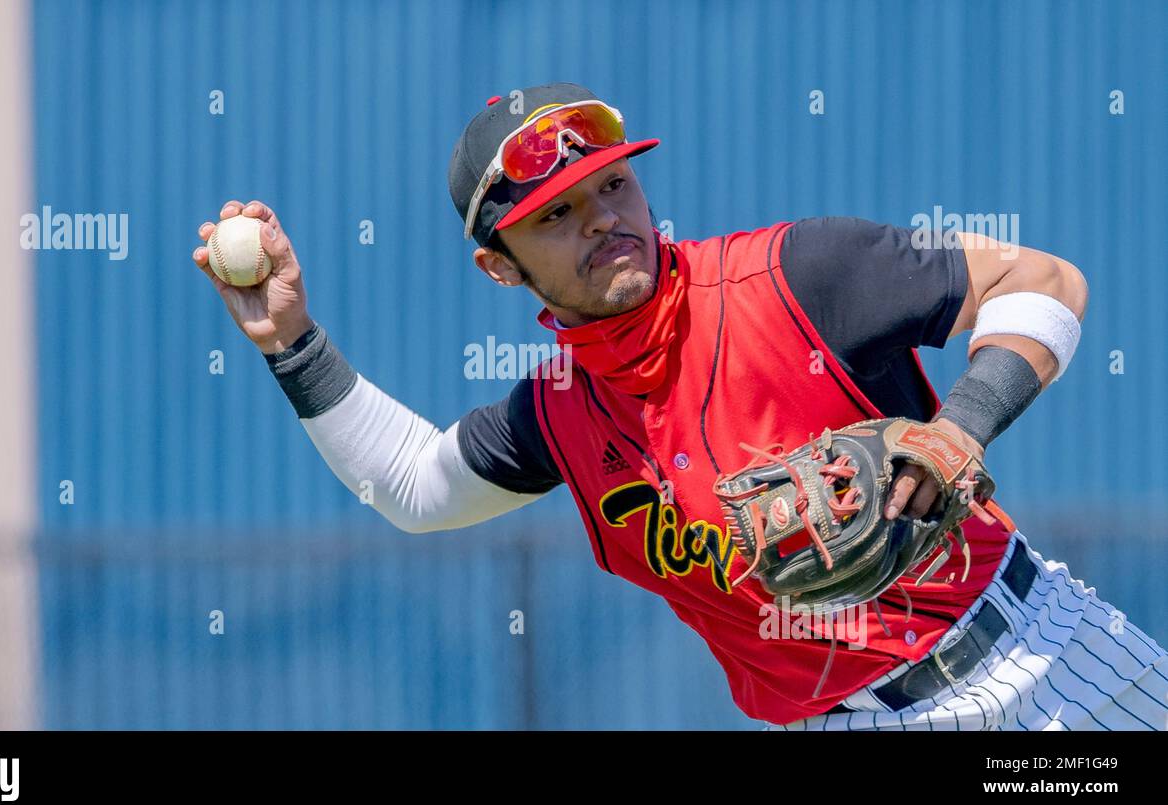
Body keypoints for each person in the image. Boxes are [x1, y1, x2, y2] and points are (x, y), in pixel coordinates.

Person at [191, 83, 1167, 730]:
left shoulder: (795, 275)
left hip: (1041, 675)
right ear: (499, 265)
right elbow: (413, 486)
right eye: (557, 214)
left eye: (611, 184)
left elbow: (1041, 280)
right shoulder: (558, 416)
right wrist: (289, 340)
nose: (604, 218)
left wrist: (962, 423)